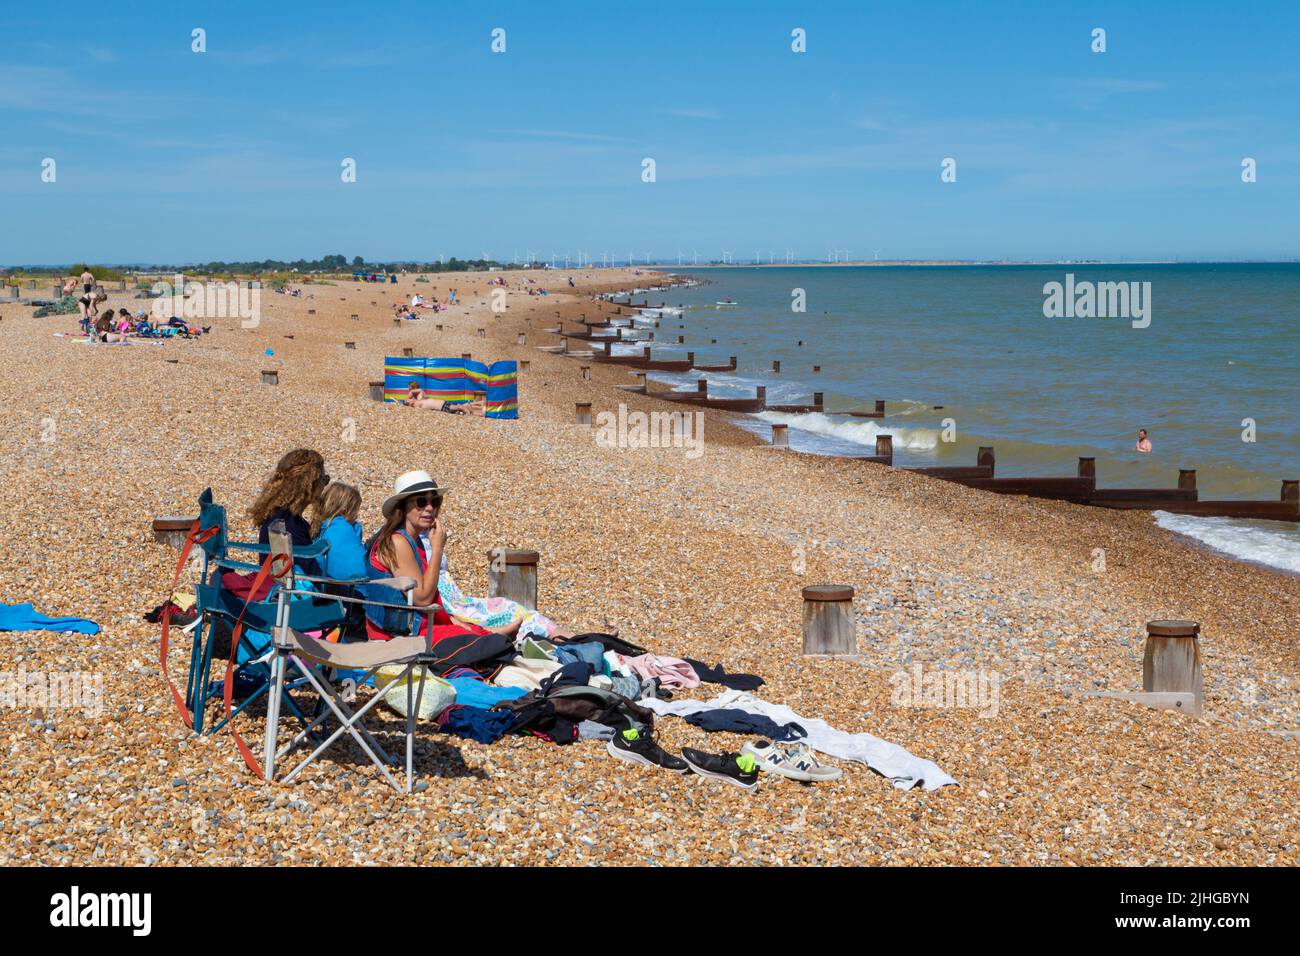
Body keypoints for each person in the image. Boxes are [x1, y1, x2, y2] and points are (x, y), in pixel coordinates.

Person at [248, 448, 329, 574]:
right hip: (292, 591)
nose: (324, 487)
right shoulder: (290, 525)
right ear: (310, 484)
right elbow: (309, 575)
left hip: (276, 587)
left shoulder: (276, 515)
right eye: (324, 480)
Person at [402, 381, 486, 415]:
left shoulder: (419, 396)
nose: (408, 390)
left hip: (441, 405)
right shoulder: (416, 399)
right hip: (441, 405)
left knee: (461, 407)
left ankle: (480, 407)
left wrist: (411, 393)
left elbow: (420, 391)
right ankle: (480, 408)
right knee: (461, 408)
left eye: (409, 388)